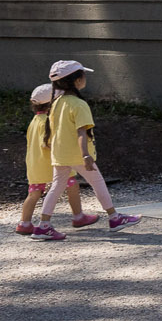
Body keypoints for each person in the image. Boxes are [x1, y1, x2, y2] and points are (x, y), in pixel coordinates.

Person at [37, 61, 139, 233]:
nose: (85, 78)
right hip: (77, 155)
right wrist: (85, 155)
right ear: (76, 80)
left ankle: (43, 225)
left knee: (56, 187)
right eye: (83, 75)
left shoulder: (56, 102)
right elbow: (81, 132)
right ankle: (114, 217)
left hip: (60, 154)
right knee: (97, 182)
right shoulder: (79, 104)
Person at [15, 84, 69, 241]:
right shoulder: (47, 121)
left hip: (34, 164)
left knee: (34, 193)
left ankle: (24, 223)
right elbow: (47, 143)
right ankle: (77, 215)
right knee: (70, 183)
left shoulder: (34, 120)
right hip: (48, 165)